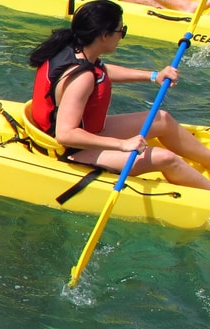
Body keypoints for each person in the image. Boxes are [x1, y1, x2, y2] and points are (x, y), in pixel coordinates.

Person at [28, 0, 210, 190]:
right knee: (166, 158)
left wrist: (153, 76)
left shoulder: (73, 48)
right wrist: (122, 145)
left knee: (161, 119)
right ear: (104, 36)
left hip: (87, 133)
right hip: (73, 149)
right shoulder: (81, 79)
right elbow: (66, 135)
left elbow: (102, 70)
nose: (121, 36)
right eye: (120, 31)